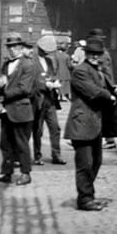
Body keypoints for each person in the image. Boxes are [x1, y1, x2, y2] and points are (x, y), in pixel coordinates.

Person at [65, 36, 117, 211]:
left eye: (98, 54)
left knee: (96, 162)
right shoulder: (80, 71)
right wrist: (110, 96)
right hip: (82, 124)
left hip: (95, 124)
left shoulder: (98, 70)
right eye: (91, 53)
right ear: (86, 53)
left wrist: (116, 88)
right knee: (85, 164)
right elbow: (93, 92)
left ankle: (88, 195)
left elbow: (106, 86)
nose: (95, 56)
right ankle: (84, 199)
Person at [0, 33, 39, 185]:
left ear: (20, 47)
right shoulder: (6, 64)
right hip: (6, 111)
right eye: (10, 47)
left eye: (14, 46)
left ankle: (26, 174)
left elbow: (24, 89)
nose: (12, 49)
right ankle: (7, 172)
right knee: (5, 143)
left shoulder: (28, 64)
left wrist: (4, 94)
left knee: (21, 144)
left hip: (20, 110)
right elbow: (0, 84)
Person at [32, 34, 67, 166]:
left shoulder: (49, 61)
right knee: (38, 129)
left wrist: (54, 81)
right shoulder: (32, 61)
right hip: (38, 99)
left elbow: (52, 75)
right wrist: (45, 84)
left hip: (50, 100)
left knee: (55, 127)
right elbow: (32, 80)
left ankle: (56, 155)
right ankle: (37, 155)